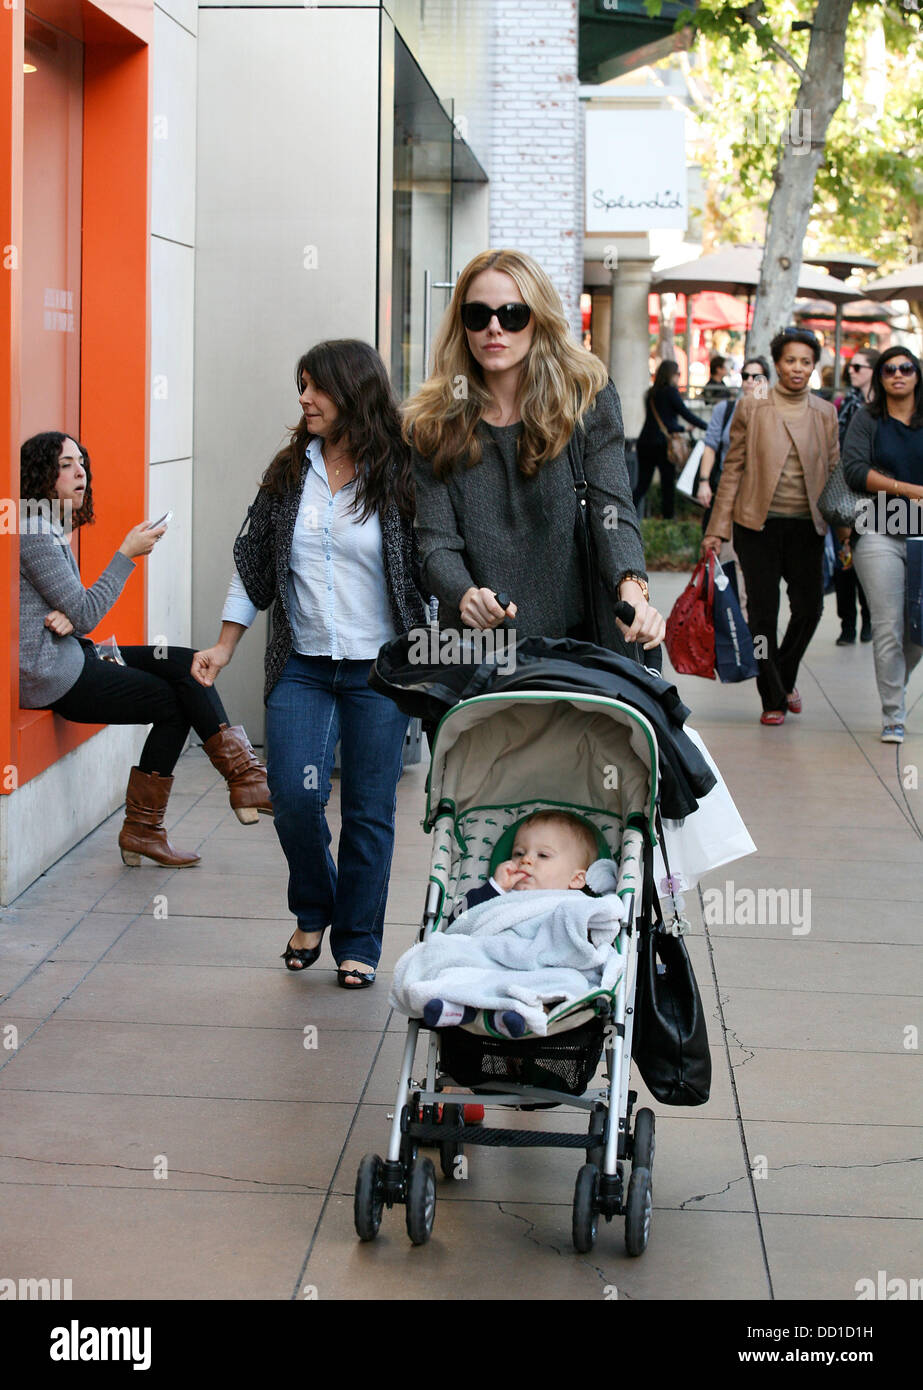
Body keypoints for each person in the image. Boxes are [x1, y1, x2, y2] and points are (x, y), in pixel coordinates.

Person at [192, 340, 428, 987]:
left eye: (315, 387)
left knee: (368, 811)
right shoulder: (290, 471)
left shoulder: (401, 471)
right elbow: (254, 565)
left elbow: (429, 568)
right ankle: (315, 904)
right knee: (294, 799)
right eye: (301, 386)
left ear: (353, 391)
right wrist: (223, 645)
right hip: (302, 663)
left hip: (379, 670)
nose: (303, 399)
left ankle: (358, 943)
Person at [18, 433, 270, 868]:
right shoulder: (36, 532)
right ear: (40, 475)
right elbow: (85, 612)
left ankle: (241, 780)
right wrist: (125, 555)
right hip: (55, 674)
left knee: (186, 660)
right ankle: (152, 825)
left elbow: (74, 613)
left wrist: (69, 618)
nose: (80, 472)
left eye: (82, 462)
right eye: (65, 465)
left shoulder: (48, 526)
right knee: (174, 702)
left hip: (72, 653)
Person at [406, 247, 665, 654]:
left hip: (583, 642)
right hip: (482, 656)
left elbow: (611, 510)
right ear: (463, 326)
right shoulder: (433, 422)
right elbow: (435, 541)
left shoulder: (585, 401)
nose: (495, 329)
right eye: (478, 316)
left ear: (538, 320)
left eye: (512, 315)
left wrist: (632, 589)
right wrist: (465, 595)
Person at [703, 327, 839, 725]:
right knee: (762, 614)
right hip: (756, 525)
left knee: (810, 609)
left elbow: (834, 472)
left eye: (806, 362)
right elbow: (733, 469)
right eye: (790, 361)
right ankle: (773, 698)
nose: (798, 369)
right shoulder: (753, 404)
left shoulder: (826, 413)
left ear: (815, 366)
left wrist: (844, 532)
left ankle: (782, 673)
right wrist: (718, 527)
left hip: (807, 527)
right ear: (777, 364)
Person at [395, 811, 612, 1039]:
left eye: (543, 855)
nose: (526, 860)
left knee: (573, 981)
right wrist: (494, 887)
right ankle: (459, 1007)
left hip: (544, 971)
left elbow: (592, 943)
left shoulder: (578, 906)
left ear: (577, 879)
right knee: (449, 956)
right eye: (519, 853)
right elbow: (459, 921)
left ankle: (524, 1012)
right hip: (493, 963)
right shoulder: (499, 898)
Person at [841, 346, 923, 743]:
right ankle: (894, 714)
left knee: (918, 627)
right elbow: (854, 470)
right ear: (881, 377)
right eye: (889, 369)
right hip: (879, 530)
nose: (898, 375)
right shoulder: (867, 419)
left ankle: (896, 685)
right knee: (889, 626)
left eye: (906, 368)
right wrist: (908, 490)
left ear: (917, 374)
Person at [833, 350, 879, 645]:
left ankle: (869, 619)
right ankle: (848, 623)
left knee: (869, 557)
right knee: (845, 560)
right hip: (844, 491)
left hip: (878, 495)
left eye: (858, 367)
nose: (852, 371)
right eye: (850, 366)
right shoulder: (844, 403)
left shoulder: (885, 409)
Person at [634, 359, 707, 521]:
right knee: (668, 485)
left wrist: (680, 428)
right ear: (671, 375)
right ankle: (668, 522)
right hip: (663, 445)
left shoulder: (650, 394)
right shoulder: (671, 392)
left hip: (645, 442)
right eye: (678, 374)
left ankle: (625, 517)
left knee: (642, 485)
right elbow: (685, 414)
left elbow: (658, 420)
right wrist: (707, 426)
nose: (679, 377)